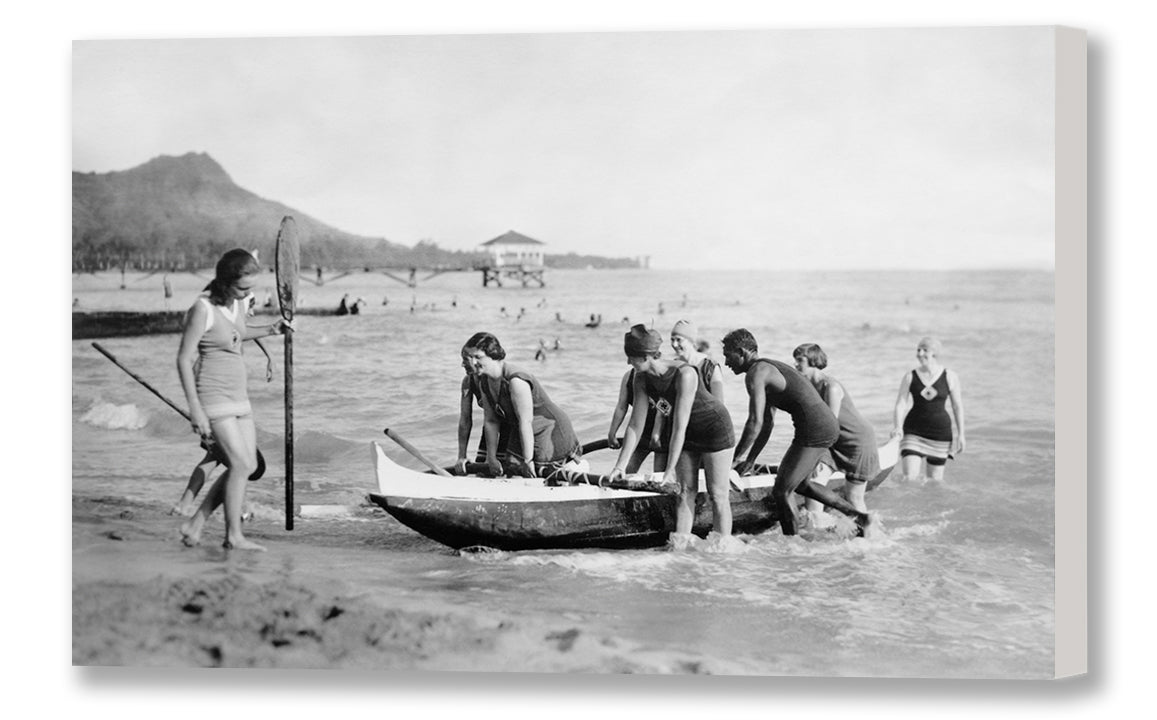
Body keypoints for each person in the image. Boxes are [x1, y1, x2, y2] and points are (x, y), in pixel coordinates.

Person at [176, 248, 290, 551]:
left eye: (251, 287)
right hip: (213, 397)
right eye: (242, 287)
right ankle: (233, 536)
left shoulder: (237, 305)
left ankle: (195, 524)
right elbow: (184, 360)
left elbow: (238, 334)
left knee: (247, 465)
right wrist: (195, 410)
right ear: (224, 281)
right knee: (238, 464)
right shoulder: (202, 309)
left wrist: (271, 329)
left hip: (240, 398)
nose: (247, 293)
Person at [721, 328, 872, 537]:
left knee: (782, 491)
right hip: (821, 426)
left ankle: (792, 544)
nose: (727, 362)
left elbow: (753, 422)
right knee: (800, 484)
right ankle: (860, 517)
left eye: (728, 356)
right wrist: (751, 459)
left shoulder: (757, 373)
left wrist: (734, 459)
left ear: (741, 352)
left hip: (815, 428)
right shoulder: (765, 369)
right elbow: (766, 424)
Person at [609, 325, 735, 546]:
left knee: (718, 495)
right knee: (685, 491)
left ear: (650, 356)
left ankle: (722, 553)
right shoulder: (640, 378)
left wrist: (669, 469)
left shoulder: (685, 373)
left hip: (713, 428)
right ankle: (681, 551)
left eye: (633, 358)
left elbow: (679, 426)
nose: (629, 363)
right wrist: (620, 466)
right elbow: (635, 425)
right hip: (687, 433)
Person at [462, 332, 584, 479]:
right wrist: (492, 458)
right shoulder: (484, 381)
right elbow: (491, 421)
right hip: (525, 432)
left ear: (493, 355)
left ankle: (571, 469)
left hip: (549, 430)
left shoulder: (516, 381)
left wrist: (528, 460)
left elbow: (525, 422)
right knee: (511, 469)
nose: (473, 362)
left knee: (533, 472)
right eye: (471, 357)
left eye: (478, 357)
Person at [793, 343, 879, 514]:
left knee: (853, 497)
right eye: (795, 361)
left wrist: (815, 456)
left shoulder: (830, 387)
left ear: (813, 361)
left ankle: (869, 534)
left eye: (799, 360)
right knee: (813, 483)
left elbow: (829, 427)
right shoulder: (808, 387)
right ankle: (816, 529)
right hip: (834, 441)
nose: (795, 365)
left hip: (857, 441)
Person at [891, 336, 965, 484]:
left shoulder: (949, 376)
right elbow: (900, 404)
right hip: (913, 432)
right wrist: (898, 427)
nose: (920, 353)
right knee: (909, 479)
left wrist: (961, 434)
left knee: (935, 482)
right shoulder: (910, 376)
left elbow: (957, 406)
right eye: (918, 350)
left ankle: (933, 507)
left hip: (940, 435)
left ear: (935, 353)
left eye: (925, 350)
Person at [454, 345, 509, 474]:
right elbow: (465, 420)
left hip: (511, 428)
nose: (462, 364)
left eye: (465, 359)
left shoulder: (495, 378)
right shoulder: (468, 382)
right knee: (482, 470)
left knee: (504, 469)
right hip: (490, 429)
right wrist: (461, 456)